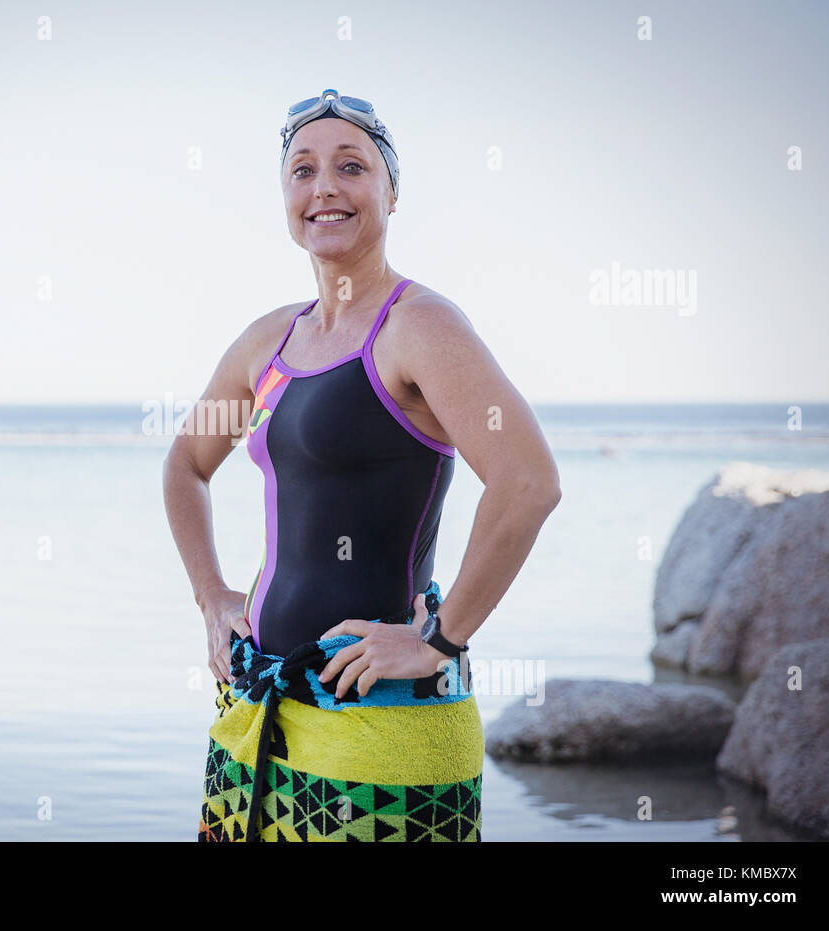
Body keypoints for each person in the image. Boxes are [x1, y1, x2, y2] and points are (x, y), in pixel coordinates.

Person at [162, 90, 561, 841]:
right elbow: (185, 462)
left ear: (391, 191)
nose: (325, 188)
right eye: (302, 170)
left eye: (352, 166)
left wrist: (439, 639)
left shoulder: (419, 326)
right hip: (257, 709)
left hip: (382, 726)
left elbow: (529, 482)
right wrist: (212, 597)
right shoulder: (267, 342)